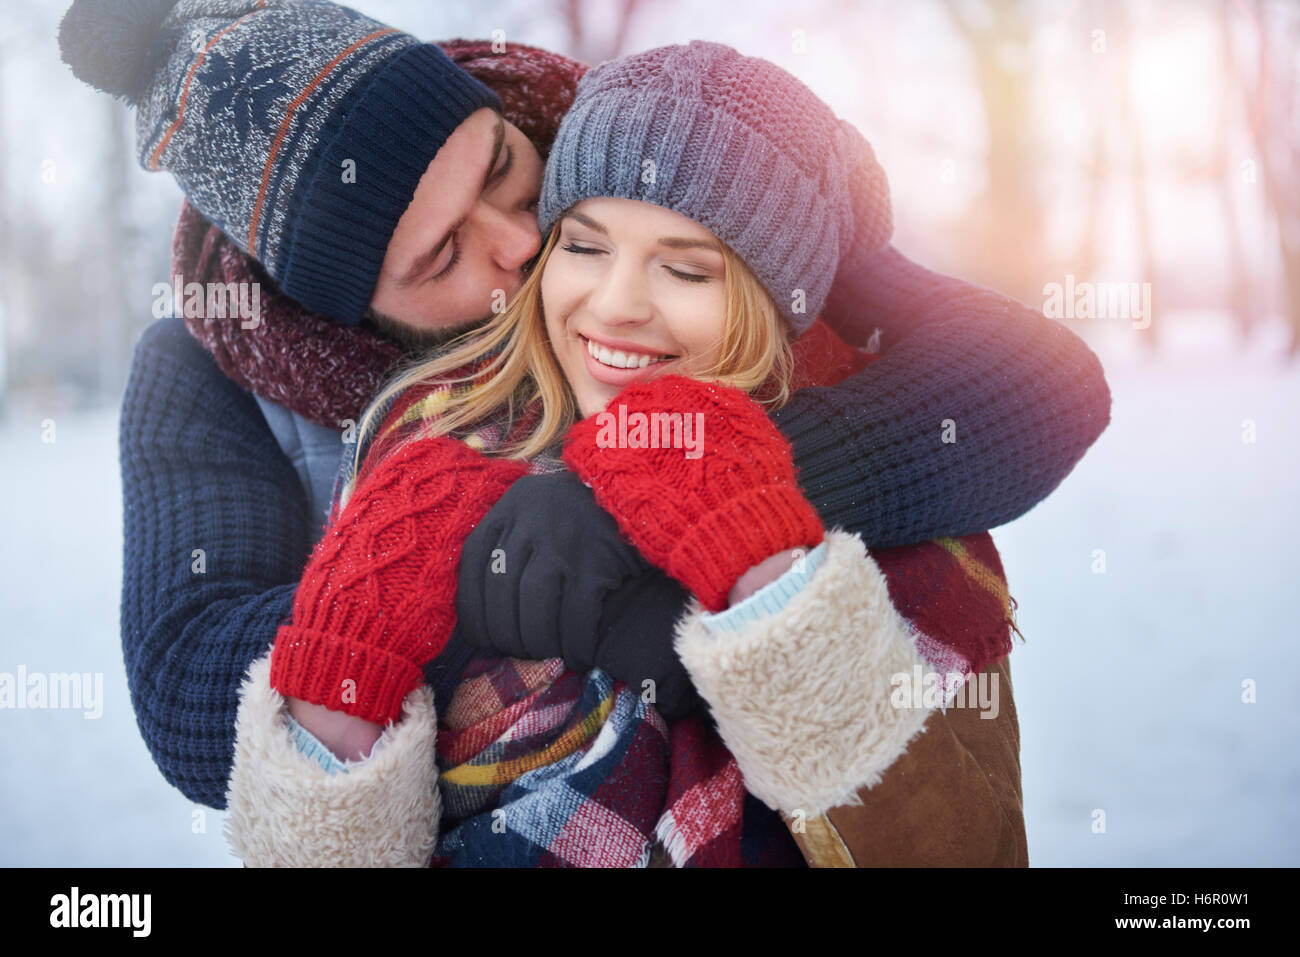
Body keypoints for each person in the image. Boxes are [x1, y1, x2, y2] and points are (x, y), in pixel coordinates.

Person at [57, 0, 1110, 813]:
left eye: (506, 174)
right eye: (439, 258)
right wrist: (479, 575)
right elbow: (190, 694)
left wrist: (662, 500)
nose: (523, 247)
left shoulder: (652, 169)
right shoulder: (211, 366)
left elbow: (1036, 381)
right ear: (344, 314)